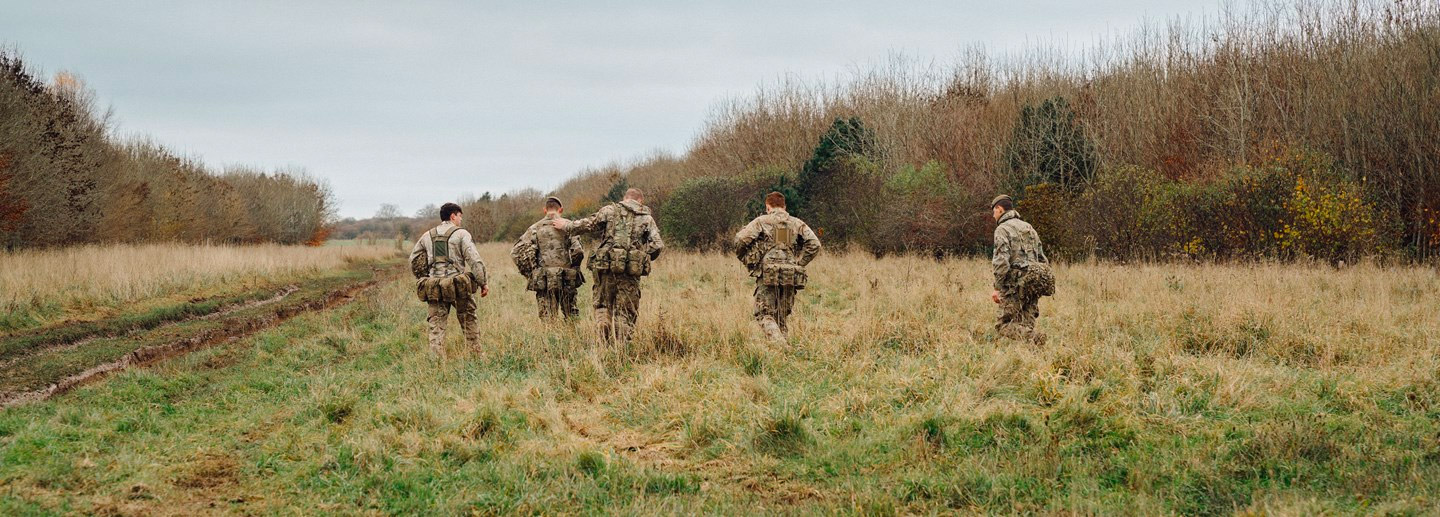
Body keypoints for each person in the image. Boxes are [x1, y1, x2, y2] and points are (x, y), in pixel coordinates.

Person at [552, 188, 663, 343]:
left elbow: (587, 225)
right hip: (629, 274)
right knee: (625, 311)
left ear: (624, 198)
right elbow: (657, 245)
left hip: (605, 269)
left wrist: (566, 225)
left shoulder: (609, 210)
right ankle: (621, 348)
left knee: (602, 304)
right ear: (640, 201)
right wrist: (640, 258)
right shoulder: (647, 219)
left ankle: (603, 329)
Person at [734, 192, 821, 343]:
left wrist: (744, 258)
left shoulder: (761, 221)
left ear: (768, 207)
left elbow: (741, 240)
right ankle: (783, 357)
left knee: (764, 314)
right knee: (781, 316)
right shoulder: (797, 223)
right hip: (791, 274)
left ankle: (780, 346)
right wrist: (799, 264)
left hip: (768, 274)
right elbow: (815, 244)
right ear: (784, 206)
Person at [410, 202, 489, 357]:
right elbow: (474, 260)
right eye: (460, 216)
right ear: (453, 216)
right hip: (458, 285)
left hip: (435, 286)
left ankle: (437, 361)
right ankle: (476, 357)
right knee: (469, 321)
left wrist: (425, 276)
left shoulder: (427, 235)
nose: (461, 220)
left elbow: (414, 260)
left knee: (436, 326)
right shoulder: (461, 234)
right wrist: (483, 282)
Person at [989, 194, 1053, 345]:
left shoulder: (1002, 229)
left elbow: (1001, 261)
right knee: (1026, 322)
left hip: (1015, 283)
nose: (993, 216)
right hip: (1034, 280)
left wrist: (997, 288)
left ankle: (1034, 338)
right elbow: (1042, 258)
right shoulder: (1029, 227)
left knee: (1003, 325)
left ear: (999, 209)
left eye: (994, 212)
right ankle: (1032, 359)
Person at [511, 197, 586, 321]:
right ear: (560, 210)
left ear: (544, 210)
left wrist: (531, 273)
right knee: (571, 317)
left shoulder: (535, 228)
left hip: (544, 279)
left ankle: (550, 338)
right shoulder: (568, 226)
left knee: (548, 321)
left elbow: (515, 252)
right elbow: (578, 251)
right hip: (567, 278)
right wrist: (575, 268)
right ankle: (573, 339)